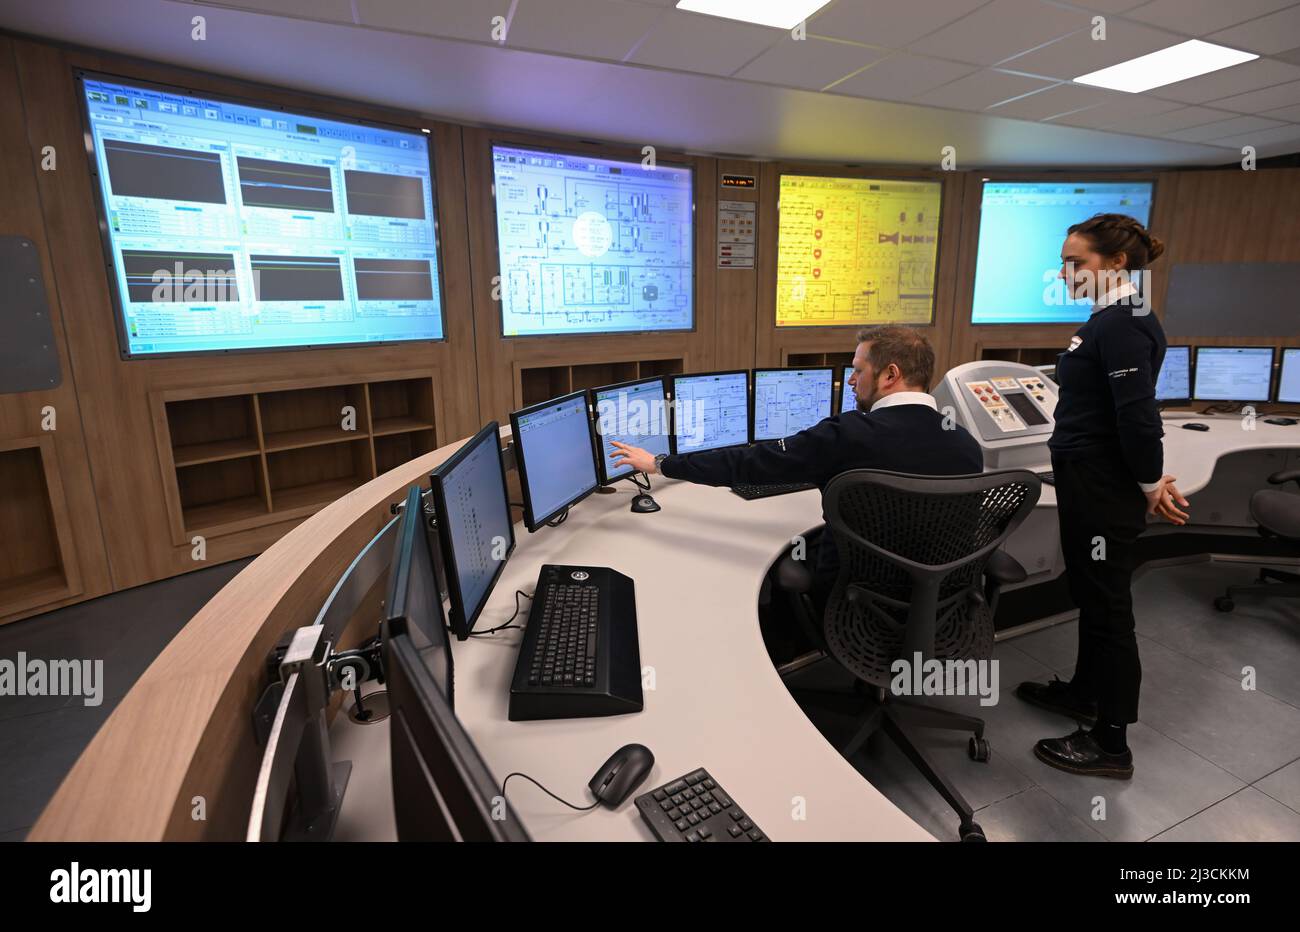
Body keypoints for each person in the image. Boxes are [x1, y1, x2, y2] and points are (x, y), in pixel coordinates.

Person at [609, 325, 983, 612]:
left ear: (889, 375)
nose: (850, 381)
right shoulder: (966, 444)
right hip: (941, 601)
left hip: (852, 597)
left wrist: (660, 463)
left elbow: (750, 462)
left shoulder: (850, 433)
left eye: (857, 371)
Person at [1017, 213, 1189, 780]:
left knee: (1109, 609)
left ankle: (1111, 744)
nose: (1066, 273)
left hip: (1102, 485)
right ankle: (1085, 694)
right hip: (1090, 478)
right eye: (1064, 263)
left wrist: (1148, 482)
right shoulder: (1115, 318)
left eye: (1077, 263)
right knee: (1091, 596)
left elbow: (1137, 415)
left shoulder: (1120, 323)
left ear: (1115, 263)